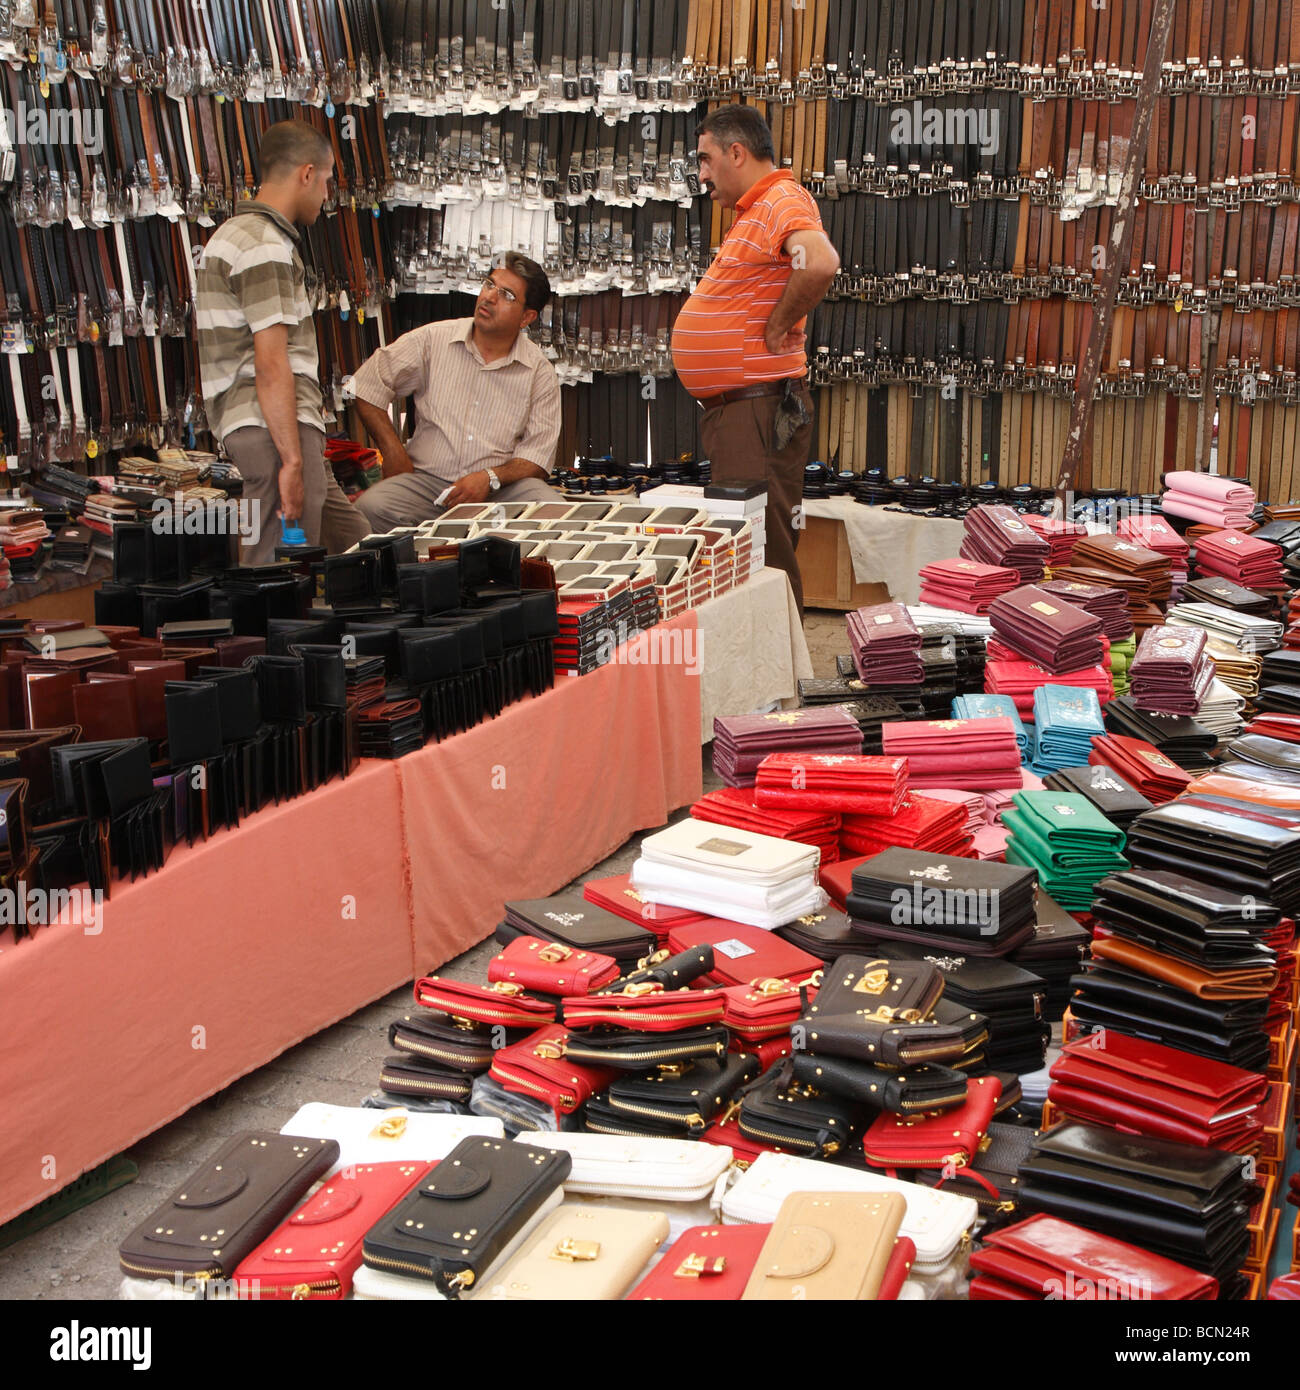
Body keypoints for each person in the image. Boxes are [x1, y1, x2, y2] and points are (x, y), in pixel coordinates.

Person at [671, 105, 840, 614]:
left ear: (736, 153)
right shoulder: (756, 212)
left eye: (705, 159)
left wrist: (776, 323)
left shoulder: (779, 199)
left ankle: (780, 680)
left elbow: (821, 260)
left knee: (762, 548)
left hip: (756, 411)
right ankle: (765, 673)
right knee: (751, 546)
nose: (701, 174)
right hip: (744, 411)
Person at [195, 119, 368, 564]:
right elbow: (271, 363)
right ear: (306, 174)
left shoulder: (234, 235)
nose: (327, 194)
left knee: (357, 543)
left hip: (273, 425)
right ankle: (269, 636)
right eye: (327, 180)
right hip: (272, 428)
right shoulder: (263, 247)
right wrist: (292, 461)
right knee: (275, 568)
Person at [349, 253, 563, 531]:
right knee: (371, 508)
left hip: (500, 492)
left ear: (527, 317)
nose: (489, 297)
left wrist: (489, 478)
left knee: (555, 515)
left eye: (507, 295)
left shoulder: (539, 371)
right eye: (489, 284)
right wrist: (392, 451)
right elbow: (364, 384)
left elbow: (537, 457)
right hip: (426, 483)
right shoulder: (432, 340)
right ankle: (419, 573)